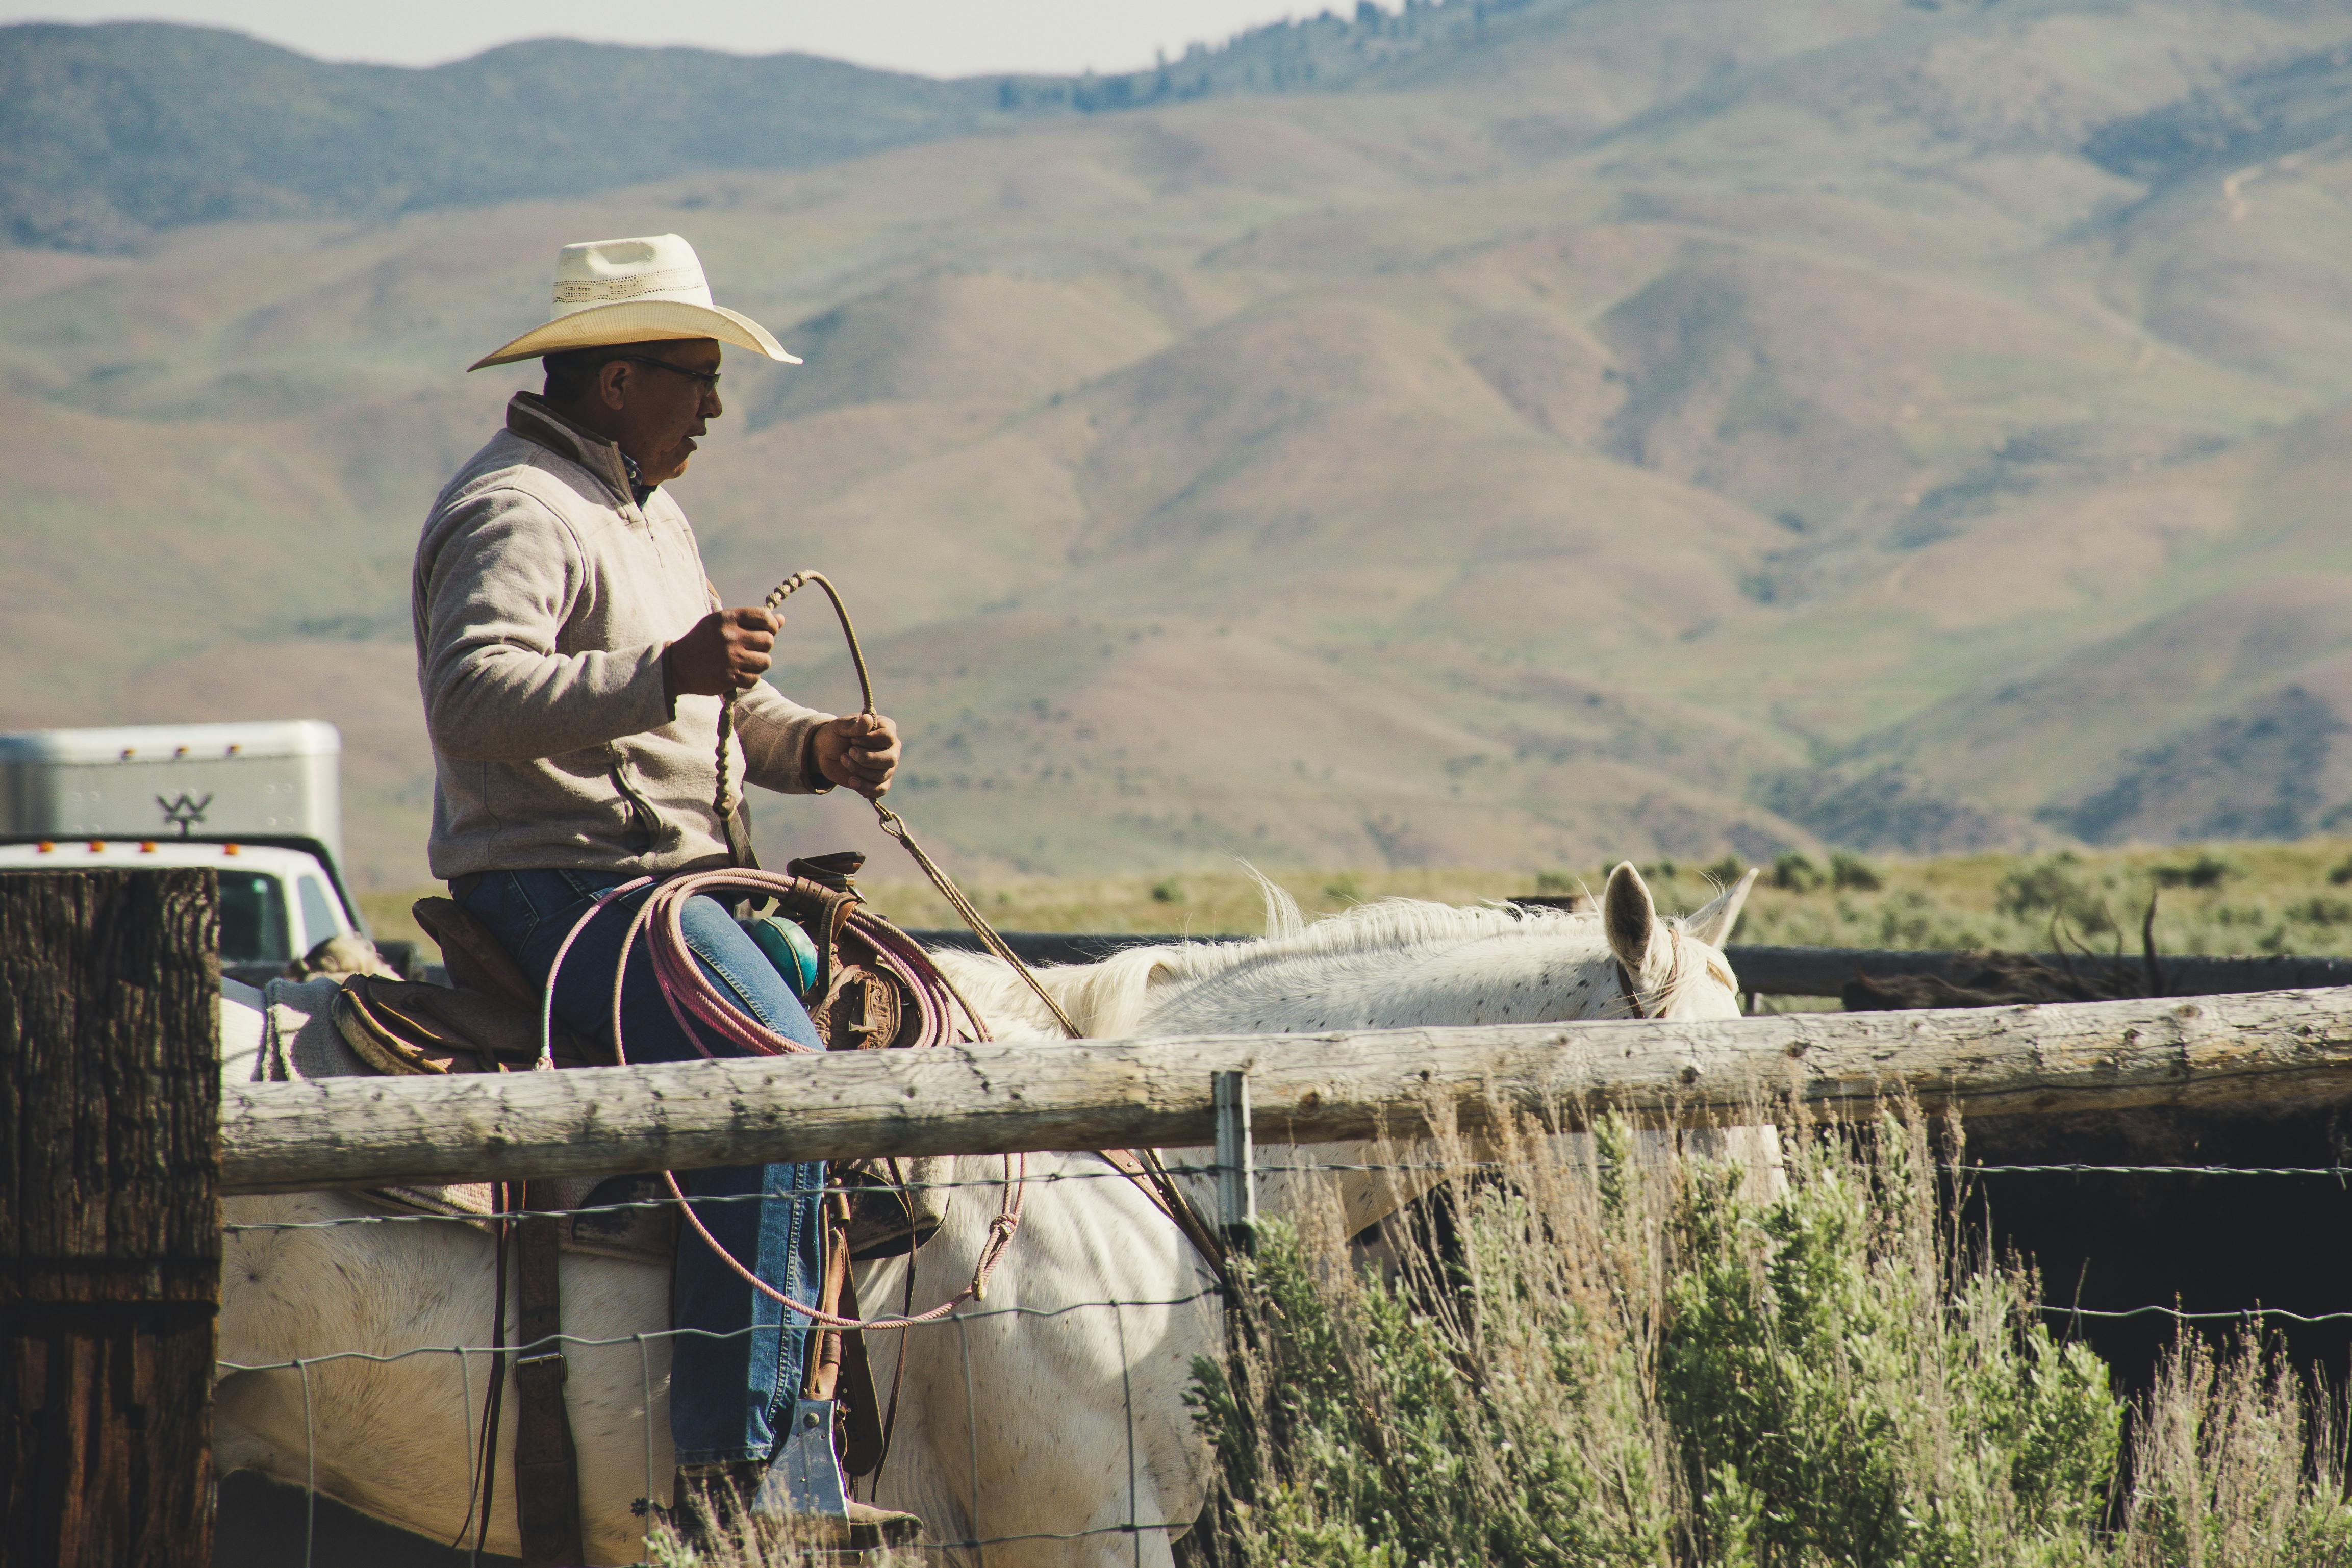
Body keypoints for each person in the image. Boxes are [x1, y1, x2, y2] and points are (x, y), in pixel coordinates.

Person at [411, 233, 912, 1542]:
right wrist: (667, 673)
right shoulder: (514, 506)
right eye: (697, 376)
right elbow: (468, 698)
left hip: (661, 880)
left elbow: (719, 703)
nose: (715, 406)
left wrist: (815, 747)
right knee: (772, 1073)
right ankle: (733, 1479)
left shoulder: (645, 508)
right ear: (619, 377)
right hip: (558, 878)